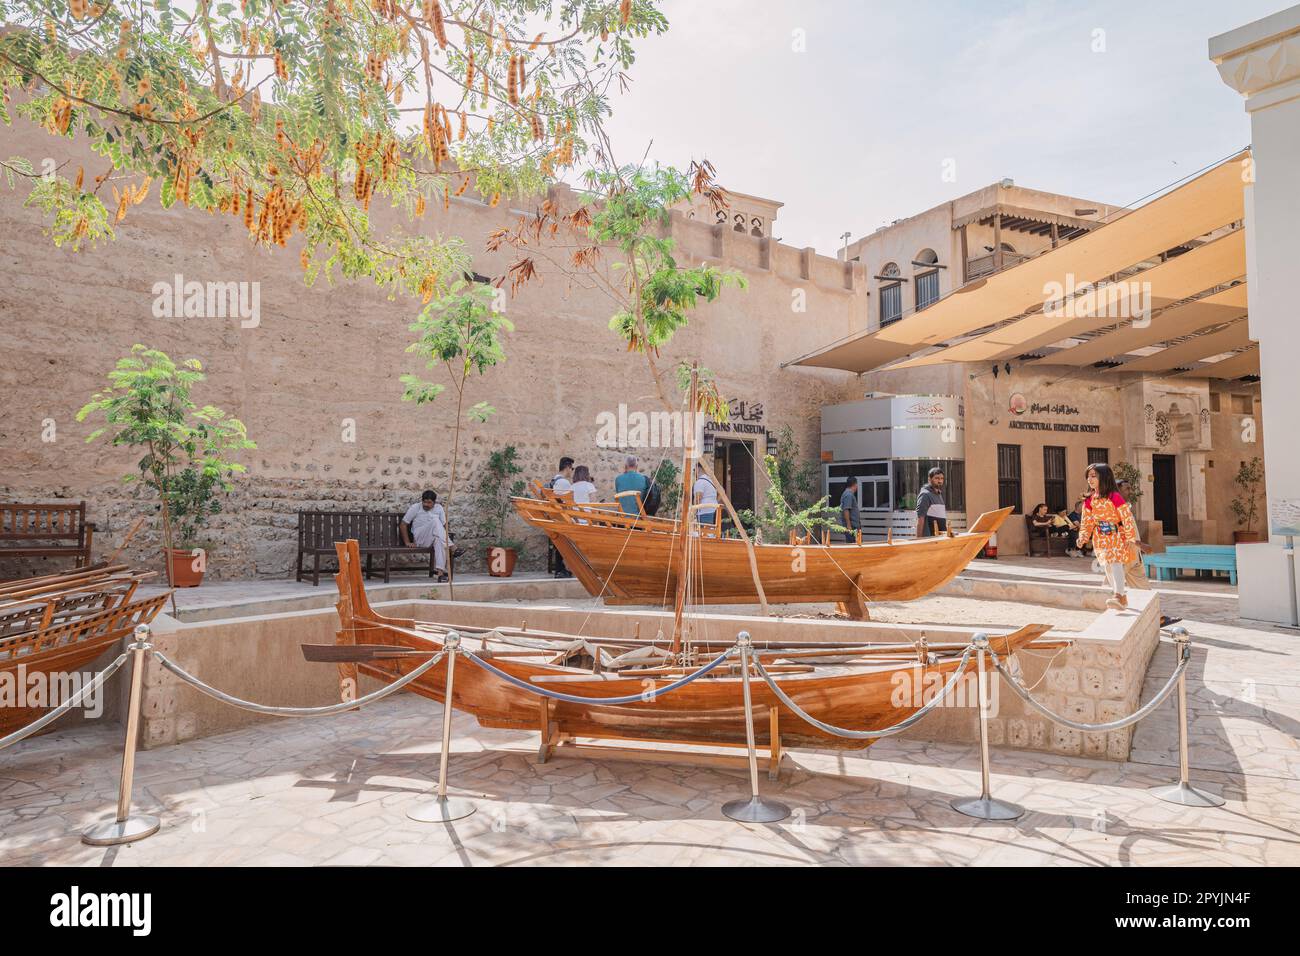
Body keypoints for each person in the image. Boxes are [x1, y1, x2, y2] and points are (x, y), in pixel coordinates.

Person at [1076, 462, 1140, 610]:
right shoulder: (1089, 500)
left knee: (1115, 563)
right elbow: (1087, 521)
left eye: (1093, 476)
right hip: (1100, 537)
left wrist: (1131, 538)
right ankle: (1121, 596)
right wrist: (1083, 537)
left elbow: (1127, 517)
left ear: (1104, 477)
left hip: (1117, 536)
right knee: (1108, 567)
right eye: (1088, 477)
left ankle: (1117, 595)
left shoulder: (1115, 497)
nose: (1089, 480)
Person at [401, 489, 448, 582]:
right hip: (419, 538)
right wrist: (407, 542)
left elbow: (444, 526)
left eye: (429, 502)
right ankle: (452, 547)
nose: (426, 504)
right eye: (424, 502)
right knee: (435, 521)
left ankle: (440, 575)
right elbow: (403, 524)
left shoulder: (439, 508)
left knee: (439, 541)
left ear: (434, 502)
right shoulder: (415, 507)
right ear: (422, 501)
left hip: (432, 539)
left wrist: (444, 537)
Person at [1117, 479, 1152, 590]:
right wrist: (1141, 545)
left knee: (1144, 589)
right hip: (1123, 554)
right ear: (1118, 490)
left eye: (1130, 488)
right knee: (1112, 586)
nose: (1130, 491)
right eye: (1127, 489)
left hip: (1135, 555)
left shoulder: (1125, 507)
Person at [547, 457, 575, 578]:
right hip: (563, 518)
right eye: (571, 468)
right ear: (567, 467)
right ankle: (561, 569)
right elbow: (569, 503)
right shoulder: (564, 482)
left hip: (555, 517)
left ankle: (561, 568)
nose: (571, 471)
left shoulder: (553, 480)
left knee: (559, 544)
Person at [914, 467, 947, 537]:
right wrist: (918, 541)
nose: (940, 481)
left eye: (942, 478)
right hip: (930, 539)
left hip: (940, 538)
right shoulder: (925, 495)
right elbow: (920, 519)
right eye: (937, 478)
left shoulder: (939, 494)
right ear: (929, 479)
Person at [840, 478, 860, 543]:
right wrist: (849, 525)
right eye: (857, 484)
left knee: (855, 544)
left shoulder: (848, 494)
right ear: (854, 484)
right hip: (852, 526)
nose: (857, 486)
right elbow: (846, 510)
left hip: (853, 525)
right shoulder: (848, 495)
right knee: (853, 546)